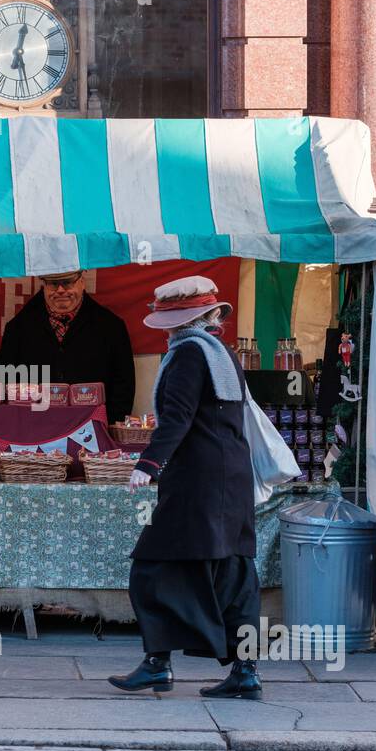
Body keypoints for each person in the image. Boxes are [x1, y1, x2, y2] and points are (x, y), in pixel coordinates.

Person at [107, 275, 263, 700]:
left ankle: (158, 664)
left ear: (178, 321)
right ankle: (245, 672)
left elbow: (177, 417)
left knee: (152, 567)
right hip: (231, 477)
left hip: (197, 481)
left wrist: (149, 464)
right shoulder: (223, 354)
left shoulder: (187, 356)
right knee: (232, 573)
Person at [0, 270, 135, 424]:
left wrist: (108, 428)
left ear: (82, 283)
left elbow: (124, 386)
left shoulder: (111, 327)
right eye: (54, 284)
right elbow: (5, 384)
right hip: (32, 430)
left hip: (92, 431)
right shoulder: (17, 329)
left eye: (68, 282)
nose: (61, 290)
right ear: (44, 286)